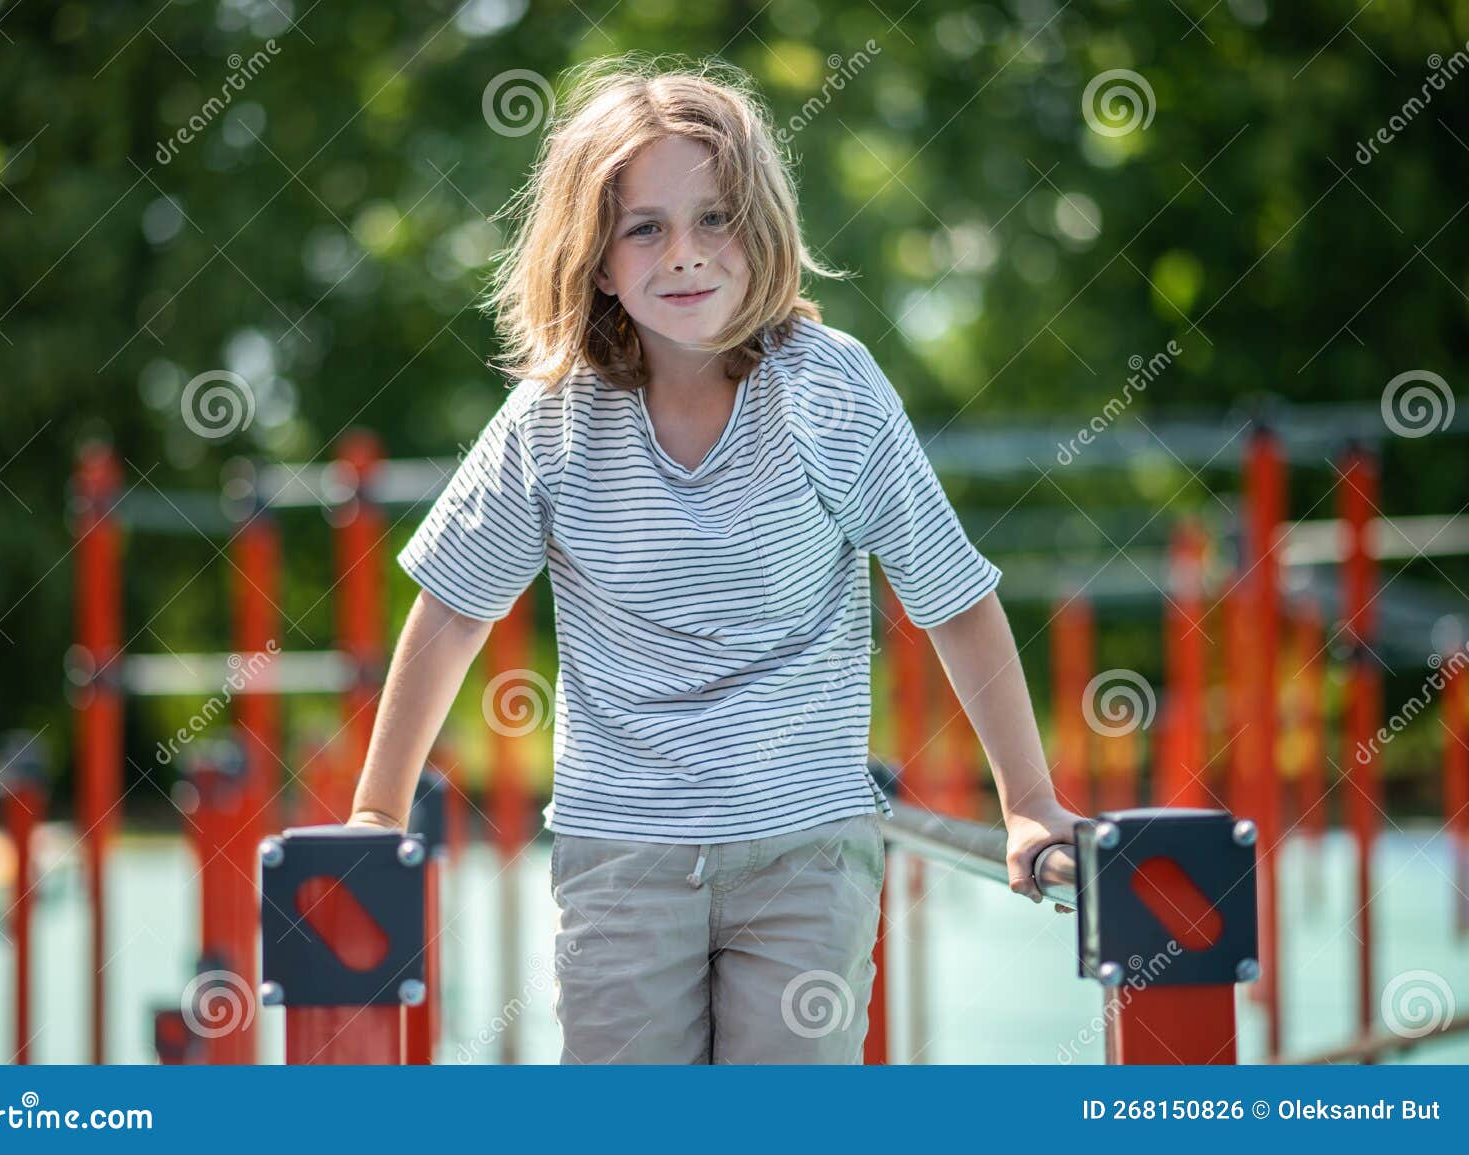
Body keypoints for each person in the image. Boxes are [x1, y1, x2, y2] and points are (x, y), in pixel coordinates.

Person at [348, 56, 1081, 1064]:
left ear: (762, 230)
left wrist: (1029, 802)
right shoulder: (553, 419)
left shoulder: (827, 392)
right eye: (644, 227)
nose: (684, 254)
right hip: (623, 856)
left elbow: (950, 596)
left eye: (714, 218)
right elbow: (451, 613)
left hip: (806, 853)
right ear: (596, 257)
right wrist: (377, 810)